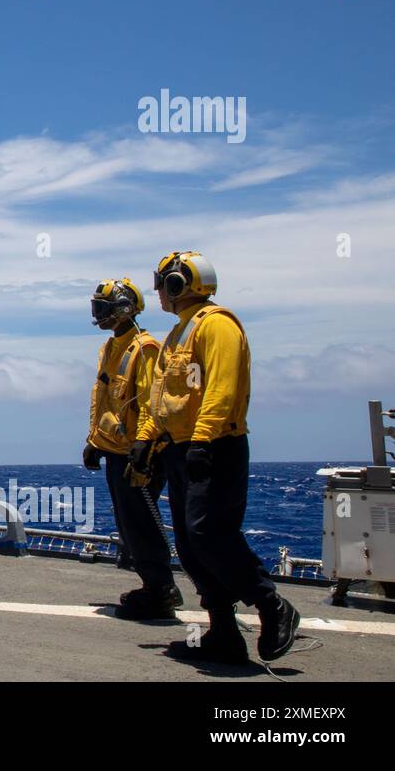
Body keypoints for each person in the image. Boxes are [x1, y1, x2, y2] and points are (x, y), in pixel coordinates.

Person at [133, 251, 299, 664]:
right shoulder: (177, 336)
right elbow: (164, 400)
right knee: (190, 545)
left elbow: (220, 391)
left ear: (177, 284)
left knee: (209, 533)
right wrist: (147, 442)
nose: (158, 293)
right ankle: (223, 632)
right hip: (181, 448)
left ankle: (272, 604)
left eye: (162, 284)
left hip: (214, 447)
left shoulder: (217, 326)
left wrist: (202, 442)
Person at [82, 278, 183, 619]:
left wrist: (143, 443)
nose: (100, 315)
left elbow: (152, 402)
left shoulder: (145, 348)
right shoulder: (111, 349)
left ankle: (161, 589)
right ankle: (155, 585)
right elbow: (105, 400)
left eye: (104, 308)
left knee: (141, 521)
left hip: (138, 453)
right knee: (128, 522)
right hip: (115, 450)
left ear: (124, 309)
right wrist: (94, 441)